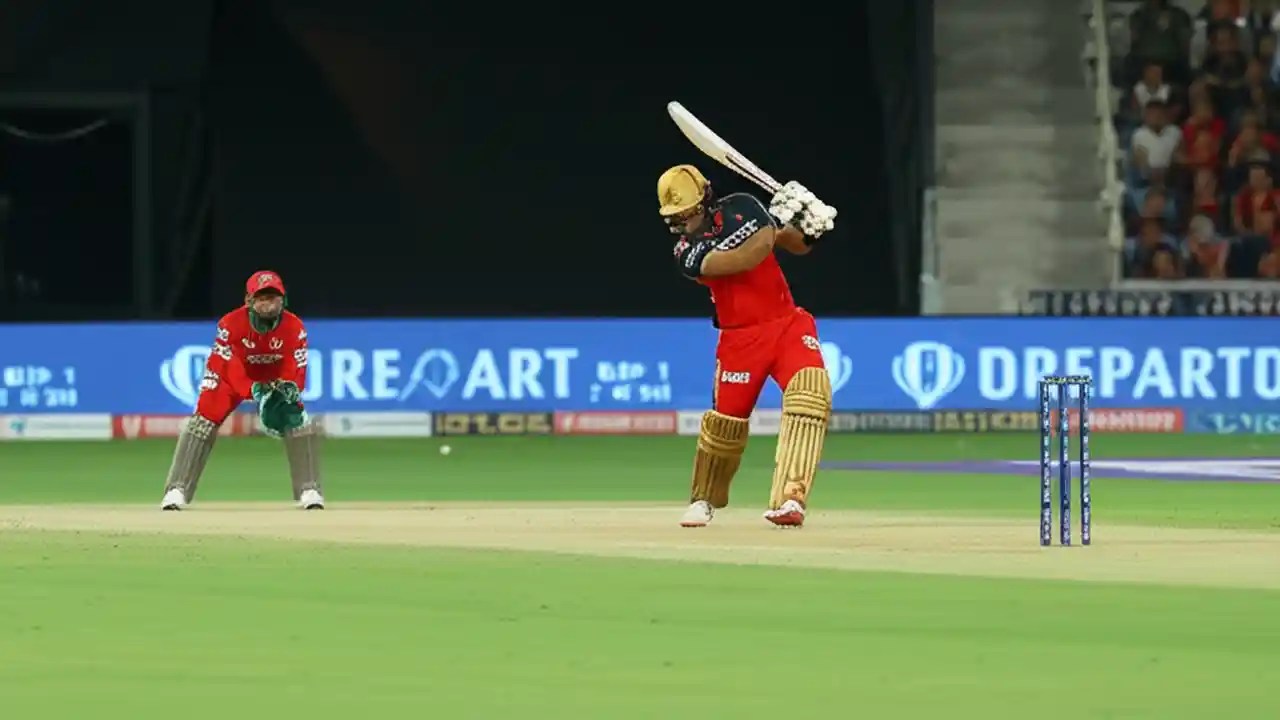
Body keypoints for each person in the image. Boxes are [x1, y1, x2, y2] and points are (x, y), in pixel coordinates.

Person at [659, 164, 836, 528]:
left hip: (787, 324)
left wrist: (809, 226)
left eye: (685, 213)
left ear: (704, 202)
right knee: (726, 426)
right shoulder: (687, 252)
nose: (681, 223)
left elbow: (791, 244)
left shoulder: (742, 206)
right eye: (674, 217)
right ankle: (704, 499)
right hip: (740, 339)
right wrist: (774, 223)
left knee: (810, 397)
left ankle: (791, 497)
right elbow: (742, 259)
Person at [159, 270, 325, 510]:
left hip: (273, 377)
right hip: (227, 377)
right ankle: (177, 490)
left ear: (284, 299)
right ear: (249, 301)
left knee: (299, 419)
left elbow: (296, 369)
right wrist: (253, 391)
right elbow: (231, 367)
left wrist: (288, 392)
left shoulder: (295, 327)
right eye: (261, 297)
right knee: (203, 421)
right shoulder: (230, 324)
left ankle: (309, 490)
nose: (268, 303)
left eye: (273, 297)